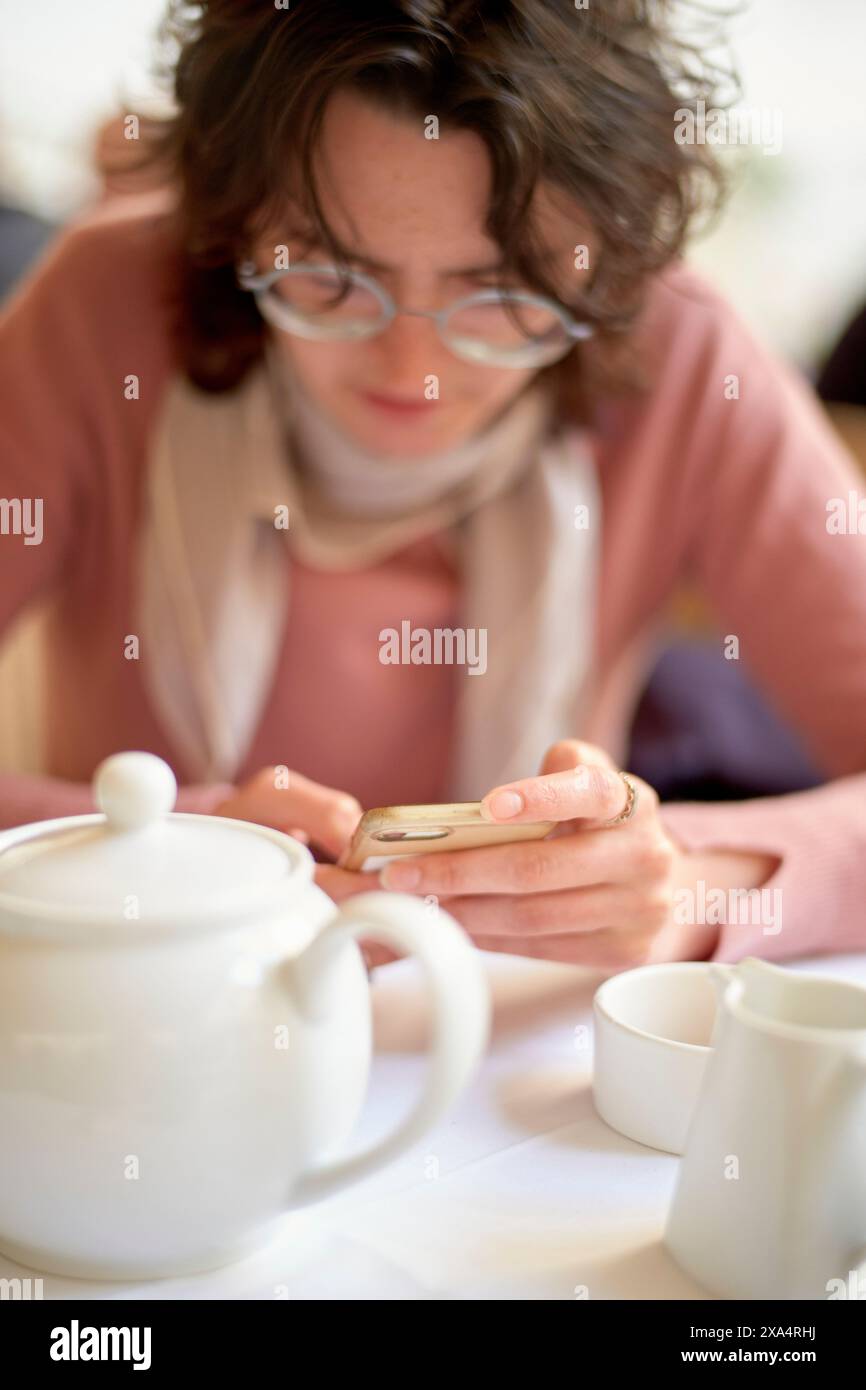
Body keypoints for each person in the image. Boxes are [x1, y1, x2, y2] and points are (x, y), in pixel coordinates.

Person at [1, 0, 865, 971]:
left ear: (603, 272)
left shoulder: (680, 355)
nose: (410, 368)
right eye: (329, 276)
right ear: (231, 227)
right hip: (151, 1012)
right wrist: (155, 844)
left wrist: (691, 882)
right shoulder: (105, 308)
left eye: (499, 295)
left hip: (510, 1060)